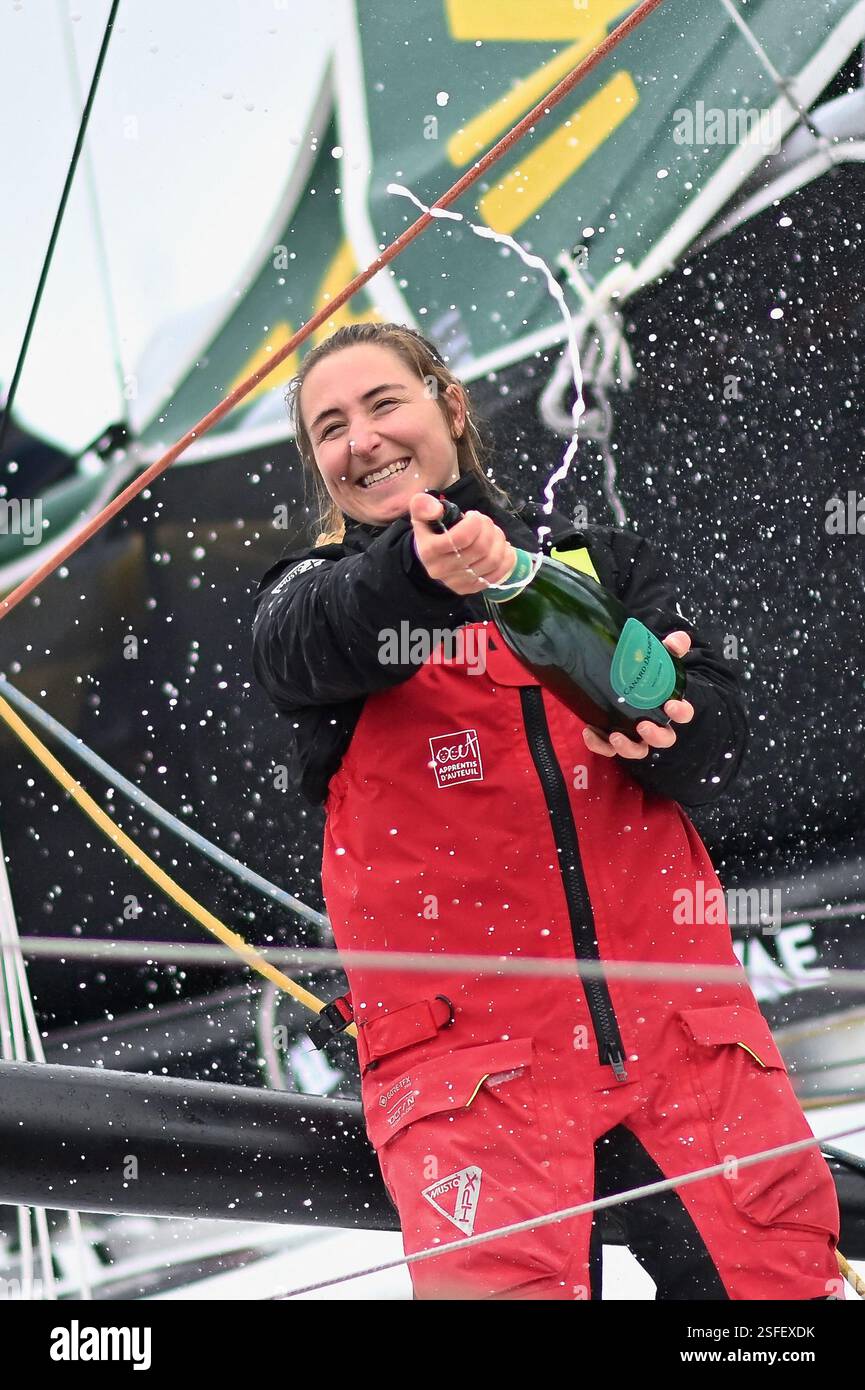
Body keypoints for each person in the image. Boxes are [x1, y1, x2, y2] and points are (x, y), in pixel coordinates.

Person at [251, 321, 840, 1301]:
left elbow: (719, 742)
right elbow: (307, 638)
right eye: (329, 426)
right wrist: (422, 566)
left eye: (382, 403)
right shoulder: (314, 599)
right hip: (476, 1097)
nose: (359, 439)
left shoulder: (600, 565)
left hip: (688, 1057)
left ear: (448, 403)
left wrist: (676, 729)